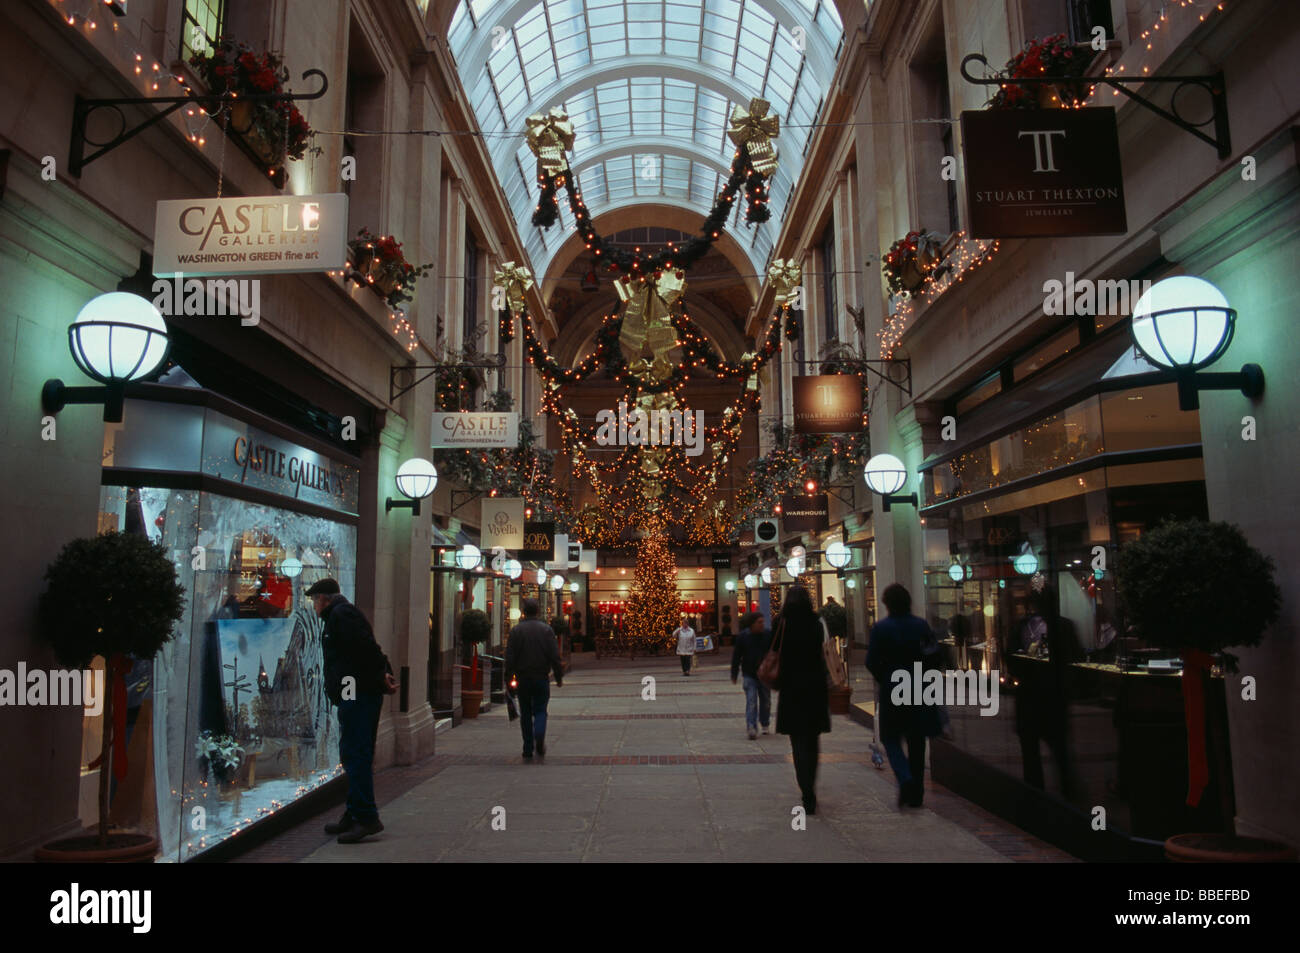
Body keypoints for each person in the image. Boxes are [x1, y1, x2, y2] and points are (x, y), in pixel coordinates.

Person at [308, 578, 394, 843]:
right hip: (355, 692)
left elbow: (365, 650)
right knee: (353, 753)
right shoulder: (340, 615)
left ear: (324, 599)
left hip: (358, 693)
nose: (313, 606)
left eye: (314, 601)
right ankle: (354, 812)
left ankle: (367, 818)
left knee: (355, 753)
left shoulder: (342, 615)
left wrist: (381, 676)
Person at [865, 583, 942, 808]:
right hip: (918, 686)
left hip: (894, 687)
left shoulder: (881, 628)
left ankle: (904, 777)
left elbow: (871, 661)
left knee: (891, 737)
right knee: (917, 739)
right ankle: (916, 793)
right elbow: (933, 656)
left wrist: (885, 678)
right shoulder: (921, 625)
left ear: (887, 604)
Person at [774, 586, 830, 815]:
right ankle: (811, 787)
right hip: (814, 688)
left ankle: (806, 791)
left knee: (797, 742)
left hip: (791, 688)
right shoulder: (816, 623)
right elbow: (825, 651)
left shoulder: (782, 623)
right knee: (812, 740)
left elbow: (773, 650)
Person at [505, 599, 564, 759]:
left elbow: (510, 657)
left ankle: (527, 747)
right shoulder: (546, 630)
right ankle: (539, 734)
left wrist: (508, 677)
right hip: (541, 678)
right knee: (540, 709)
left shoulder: (516, 631)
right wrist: (558, 676)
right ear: (538, 611)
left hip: (523, 678)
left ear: (524, 611)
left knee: (525, 713)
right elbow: (554, 656)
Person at [731, 611, 772, 739]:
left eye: (763, 622)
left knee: (766, 701)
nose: (762, 625)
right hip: (749, 674)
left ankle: (764, 722)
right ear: (752, 624)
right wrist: (734, 672)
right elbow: (737, 655)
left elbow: (773, 652)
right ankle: (751, 726)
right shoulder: (743, 636)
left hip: (764, 674)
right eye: (759, 622)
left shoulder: (767, 635)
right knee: (751, 701)